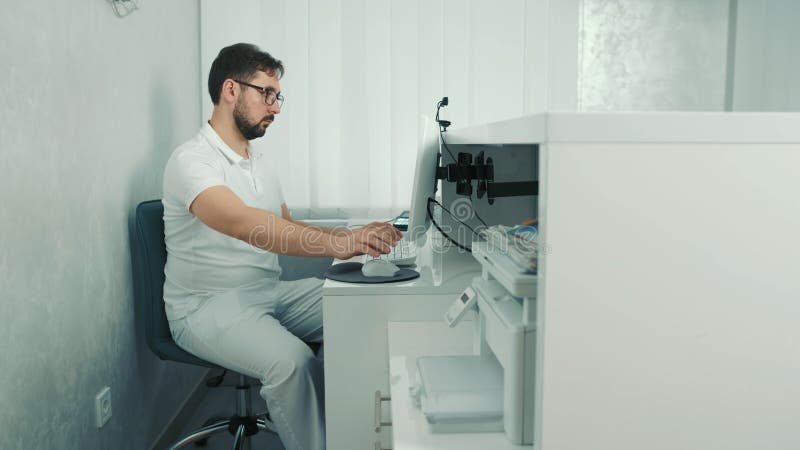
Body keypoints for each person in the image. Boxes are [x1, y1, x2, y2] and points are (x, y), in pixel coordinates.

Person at [162, 43, 401, 450]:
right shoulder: (191, 161)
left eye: (278, 96)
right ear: (230, 90)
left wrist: (351, 237)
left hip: (269, 292)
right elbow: (245, 224)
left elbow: (284, 224)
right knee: (292, 363)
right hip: (207, 307)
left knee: (358, 307)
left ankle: (365, 433)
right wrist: (336, 243)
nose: (276, 107)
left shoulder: (260, 161)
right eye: (266, 93)